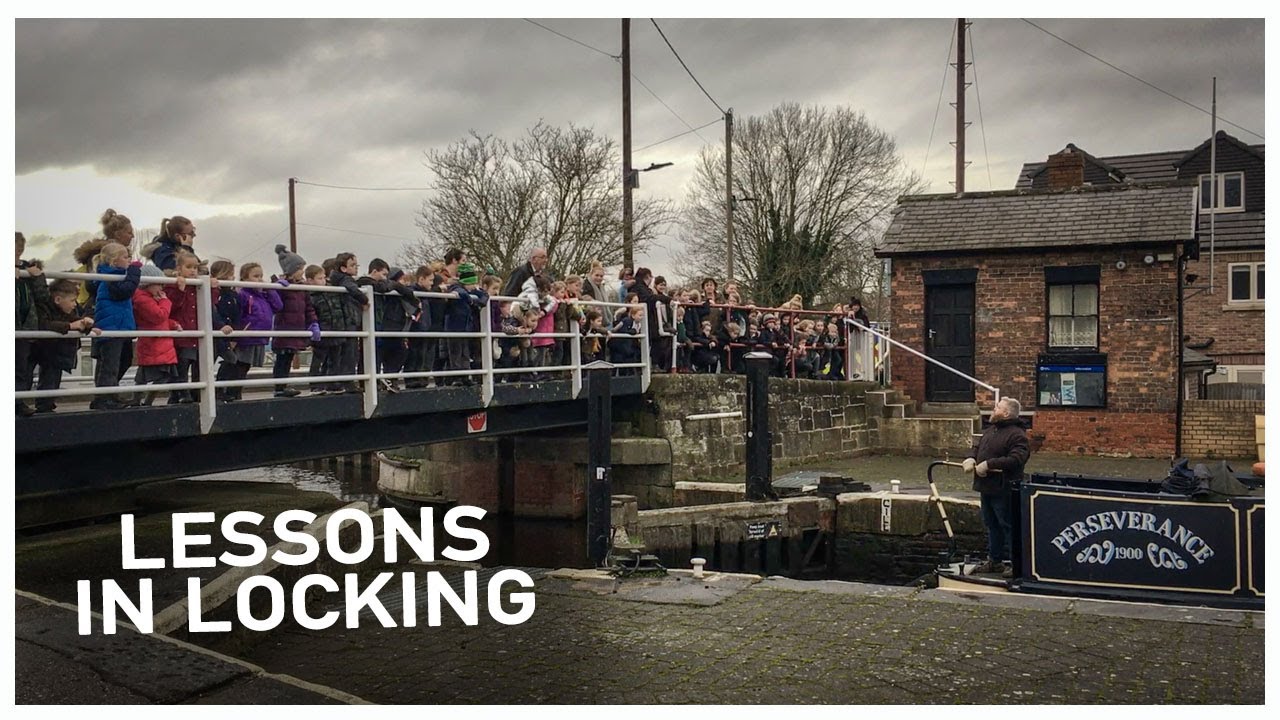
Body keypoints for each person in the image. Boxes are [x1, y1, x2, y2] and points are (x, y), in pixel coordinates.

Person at [963, 397, 1031, 578]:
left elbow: (1016, 459)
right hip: (986, 487)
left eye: (998, 407)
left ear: (1006, 413)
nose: (994, 409)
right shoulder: (991, 430)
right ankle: (995, 560)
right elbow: (978, 447)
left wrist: (989, 464)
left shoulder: (1017, 435)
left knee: (1009, 526)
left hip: (1004, 488)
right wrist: (971, 458)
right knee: (991, 525)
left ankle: (1017, 565)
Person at [32, 279, 100, 412]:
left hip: (55, 351)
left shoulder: (64, 310)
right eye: (72, 300)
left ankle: (46, 405)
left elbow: (76, 322)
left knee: (52, 379)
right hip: (47, 351)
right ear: (58, 300)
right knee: (48, 378)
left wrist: (87, 325)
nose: (75, 304)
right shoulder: (45, 308)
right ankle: (44, 406)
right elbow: (45, 324)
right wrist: (71, 326)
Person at [89, 242, 141, 410]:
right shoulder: (111, 277)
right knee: (110, 364)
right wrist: (134, 272)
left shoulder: (114, 276)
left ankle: (107, 393)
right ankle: (104, 397)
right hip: (111, 327)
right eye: (125, 257)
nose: (129, 260)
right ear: (114, 261)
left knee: (124, 360)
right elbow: (124, 291)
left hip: (119, 326)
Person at [270, 245, 320, 398]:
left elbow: (309, 308)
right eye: (300, 269)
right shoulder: (282, 286)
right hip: (284, 327)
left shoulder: (302, 288)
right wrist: (277, 288)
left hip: (297, 327)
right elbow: (276, 304)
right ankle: (279, 387)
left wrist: (313, 323)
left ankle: (283, 386)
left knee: (289, 357)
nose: (302, 272)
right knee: (282, 359)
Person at [230, 262, 283, 401]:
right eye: (255, 276)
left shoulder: (263, 295)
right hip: (247, 335)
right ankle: (233, 393)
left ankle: (236, 393)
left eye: (261, 276)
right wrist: (238, 333)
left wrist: (270, 289)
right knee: (240, 365)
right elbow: (239, 314)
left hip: (259, 335)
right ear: (245, 278)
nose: (259, 279)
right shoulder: (243, 294)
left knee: (246, 366)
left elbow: (278, 306)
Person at [131, 264, 181, 406]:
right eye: (158, 284)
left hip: (160, 343)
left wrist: (173, 324)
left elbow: (160, 320)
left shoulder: (149, 298)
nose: (161, 288)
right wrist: (165, 301)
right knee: (146, 375)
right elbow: (158, 316)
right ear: (147, 284)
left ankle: (144, 401)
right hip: (153, 343)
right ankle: (139, 400)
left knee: (162, 375)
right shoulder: (142, 300)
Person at [444, 263, 488, 385]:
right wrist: (471, 301)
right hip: (454, 327)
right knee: (455, 353)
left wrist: (478, 302)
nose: (474, 286)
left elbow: (485, 295)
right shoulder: (456, 288)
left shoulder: (470, 290)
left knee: (465, 352)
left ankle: (465, 376)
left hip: (465, 327)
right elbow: (461, 293)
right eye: (472, 283)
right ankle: (457, 377)